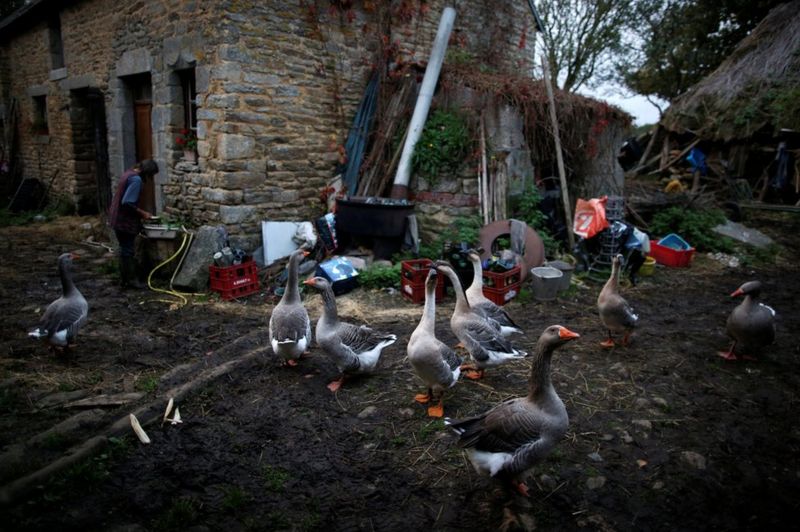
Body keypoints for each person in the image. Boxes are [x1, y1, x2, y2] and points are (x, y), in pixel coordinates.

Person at [108, 159, 159, 288]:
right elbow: (127, 202)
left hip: (116, 218)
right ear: (147, 173)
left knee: (124, 249)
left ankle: (124, 280)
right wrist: (143, 213)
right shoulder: (136, 180)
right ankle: (131, 281)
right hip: (123, 220)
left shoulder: (128, 173)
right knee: (127, 250)